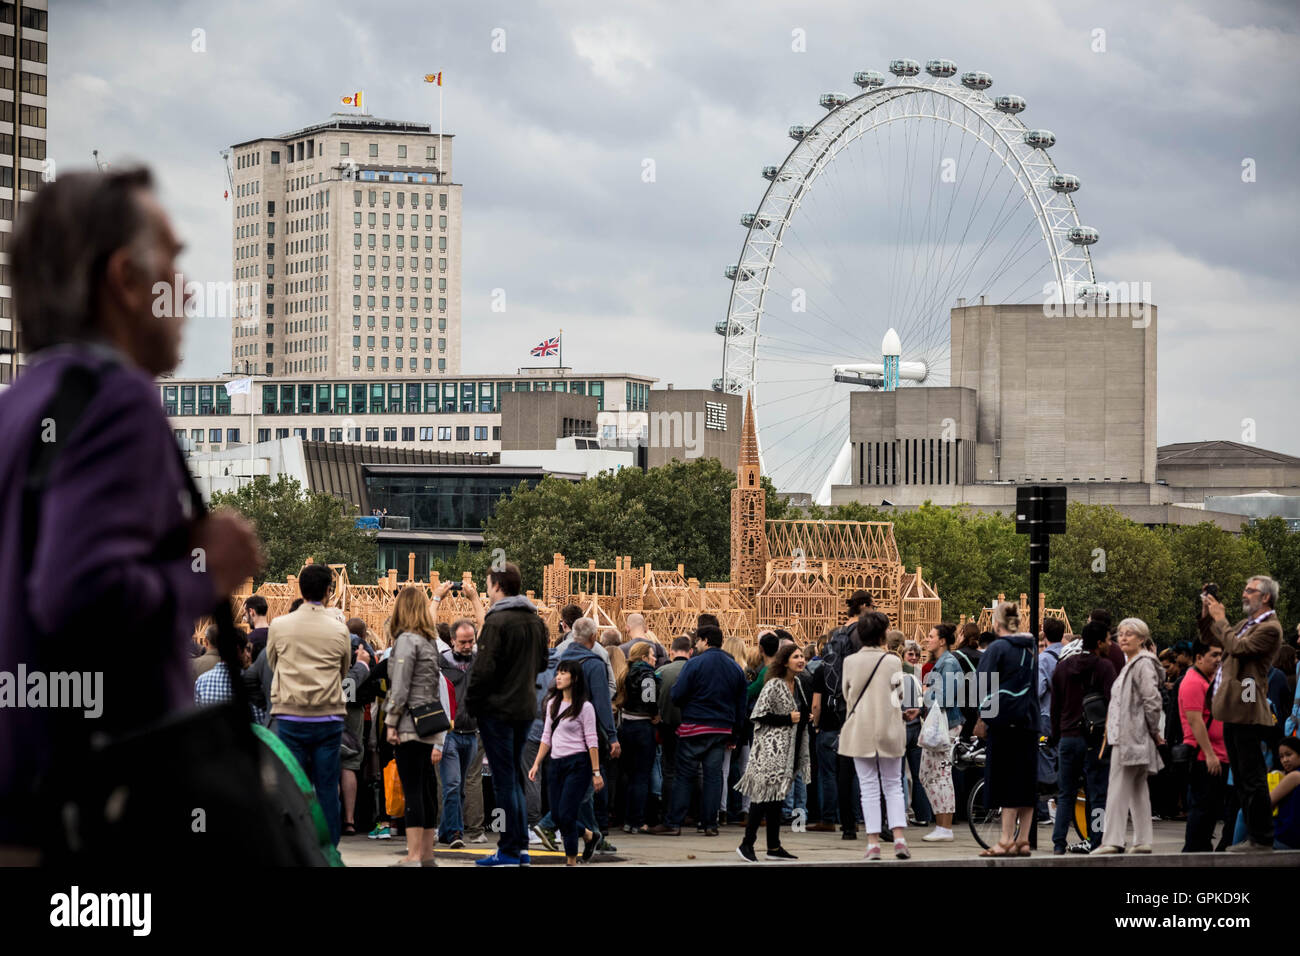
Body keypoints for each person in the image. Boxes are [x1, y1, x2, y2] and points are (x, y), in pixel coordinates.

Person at [465, 563, 549, 867]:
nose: (487, 589)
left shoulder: (497, 621)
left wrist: (472, 703)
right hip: (525, 707)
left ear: (498, 585)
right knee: (513, 775)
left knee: (504, 780)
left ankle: (511, 849)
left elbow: (483, 668)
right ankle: (520, 846)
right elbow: (543, 663)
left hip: (497, 710)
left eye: (488, 583)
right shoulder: (535, 621)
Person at [266, 563, 353, 846]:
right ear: (329, 591)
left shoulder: (279, 626)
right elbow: (343, 670)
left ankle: (297, 844)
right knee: (327, 787)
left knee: (292, 787)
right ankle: (328, 849)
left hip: (291, 716)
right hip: (328, 716)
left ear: (300, 589)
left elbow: (272, 663)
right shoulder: (339, 630)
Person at [1200, 575, 1284, 852]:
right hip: (1233, 709)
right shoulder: (1246, 624)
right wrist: (1207, 613)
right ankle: (1253, 837)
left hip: (1248, 708)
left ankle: (1261, 838)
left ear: (1266, 597)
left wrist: (1221, 618)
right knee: (1242, 777)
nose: (1244, 594)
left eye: (1250, 590)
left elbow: (1237, 648)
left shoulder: (1270, 628)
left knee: (1252, 777)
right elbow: (1212, 638)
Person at [649, 624, 748, 836]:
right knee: (713, 776)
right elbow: (742, 703)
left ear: (704, 640)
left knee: (684, 775)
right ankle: (710, 823)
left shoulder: (694, 664)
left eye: (698, 641)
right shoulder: (734, 667)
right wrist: (735, 733)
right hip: (721, 728)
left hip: (694, 726)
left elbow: (677, 694)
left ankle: (674, 822)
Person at [383, 587, 451, 866]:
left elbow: (399, 687)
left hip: (409, 724)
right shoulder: (429, 641)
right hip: (430, 722)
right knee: (426, 788)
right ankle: (427, 854)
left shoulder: (405, 641)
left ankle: (412, 855)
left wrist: (390, 722)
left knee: (412, 788)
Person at [838, 610, 908, 860]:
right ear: (882, 634)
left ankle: (873, 843)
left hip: (861, 729)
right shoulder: (893, 661)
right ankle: (899, 838)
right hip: (889, 727)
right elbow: (899, 695)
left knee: (867, 787)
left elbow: (848, 696)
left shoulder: (850, 662)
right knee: (893, 785)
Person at [975, 601, 1040, 857]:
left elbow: (982, 685)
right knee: (1025, 780)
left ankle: (1004, 840)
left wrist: (983, 717)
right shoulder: (1031, 648)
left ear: (996, 623)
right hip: (1030, 721)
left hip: (1004, 723)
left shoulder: (998, 648)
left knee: (1005, 780)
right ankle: (1023, 839)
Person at [735, 644, 811, 861]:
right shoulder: (774, 685)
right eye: (796, 657)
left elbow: (799, 714)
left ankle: (774, 847)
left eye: (803, 657)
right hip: (770, 750)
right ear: (785, 661)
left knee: (776, 798)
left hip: (789, 750)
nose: (801, 660)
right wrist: (787, 719)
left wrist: (804, 718)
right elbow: (758, 715)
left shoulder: (797, 683)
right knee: (763, 797)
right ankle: (746, 844)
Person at [1095, 618, 1164, 854]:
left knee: (1117, 788)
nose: (1123, 638)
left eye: (1130, 634)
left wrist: (1153, 729)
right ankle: (1143, 839)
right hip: (1131, 733)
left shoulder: (1141, 664)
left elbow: (1152, 700)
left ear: (1142, 639)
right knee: (1137, 788)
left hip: (1129, 734)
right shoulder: (1134, 663)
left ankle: (1113, 839)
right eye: (1121, 634)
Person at [812, 590, 874, 840]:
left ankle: (846, 825)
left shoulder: (835, 635)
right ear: (864, 606)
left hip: (839, 707)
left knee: (844, 768)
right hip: (861, 705)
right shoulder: (861, 635)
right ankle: (867, 820)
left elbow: (828, 674)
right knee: (866, 768)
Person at [1050, 621, 1116, 853]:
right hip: (1094, 739)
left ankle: (1059, 842)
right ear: (1099, 643)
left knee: (1065, 793)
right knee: (1097, 794)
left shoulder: (1063, 667)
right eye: (1108, 640)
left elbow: (1055, 707)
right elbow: (1112, 702)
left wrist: (1056, 735)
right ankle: (1096, 838)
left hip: (1067, 737)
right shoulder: (1105, 667)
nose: (1110, 644)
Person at [528, 660, 602, 865]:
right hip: (555, 763)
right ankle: (589, 835)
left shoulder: (585, 707)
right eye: (558, 673)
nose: (558, 677)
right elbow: (546, 736)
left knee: (567, 813)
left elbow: (592, 740)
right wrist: (536, 764)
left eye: (563, 673)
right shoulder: (552, 703)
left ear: (575, 678)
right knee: (560, 816)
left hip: (578, 764)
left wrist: (596, 772)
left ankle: (571, 860)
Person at [1180, 639, 1229, 853]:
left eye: (1221, 655)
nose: (1219, 659)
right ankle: (1193, 853)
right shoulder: (1193, 682)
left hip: (1217, 754)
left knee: (1210, 810)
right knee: (1202, 809)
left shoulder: (1208, 679)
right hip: (1204, 757)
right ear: (1199, 658)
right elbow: (1195, 721)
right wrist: (1209, 754)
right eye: (1214, 655)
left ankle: (1203, 851)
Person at [438, 618, 481, 849]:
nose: (467, 646)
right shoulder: (441, 661)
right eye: (462, 642)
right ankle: (455, 832)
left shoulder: (476, 660)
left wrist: (475, 598)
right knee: (453, 784)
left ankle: (445, 830)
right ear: (452, 640)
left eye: (470, 641)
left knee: (460, 787)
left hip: (471, 732)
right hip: (449, 733)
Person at [919, 624, 964, 842]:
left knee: (940, 775)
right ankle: (942, 825)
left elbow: (945, 698)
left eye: (931, 636)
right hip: (943, 723)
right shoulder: (944, 663)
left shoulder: (948, 663)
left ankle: (944, 827)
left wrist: (925, 693)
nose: (928, 640)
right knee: (931, 774)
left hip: (946, 724)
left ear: (942, 641)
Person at [620, 641, 661, 833]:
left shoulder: (626, 672)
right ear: (644, 657)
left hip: (627, 726)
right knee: (642, 776)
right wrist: (655, 714)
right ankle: (637, 820)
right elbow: (649, 698)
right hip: (643, 727)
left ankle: (628, 819)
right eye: (652, 655)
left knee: (630, 775)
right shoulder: (646, 673)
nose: (655, 659)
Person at [655, 635, 693, 824]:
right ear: (690, 652)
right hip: (692, 728)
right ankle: (691, 814)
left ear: (671, 651)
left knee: (669, 771)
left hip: (667, 728)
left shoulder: (661, 671)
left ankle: (668, 813)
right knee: (692, 771)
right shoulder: (695, 670)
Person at [1271, 736, 1300, 850]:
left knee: (1243, 813)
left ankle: (1232, 859)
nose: (1284, 760)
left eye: (1289, 754)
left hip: (1288, 838)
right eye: (1281, 757)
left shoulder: (1295, 776)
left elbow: (1265, 804)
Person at [243, 596, 271, 661]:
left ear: (251, 612)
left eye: (245, 614)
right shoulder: (276, 635)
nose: (245, 619)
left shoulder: (250, 639)